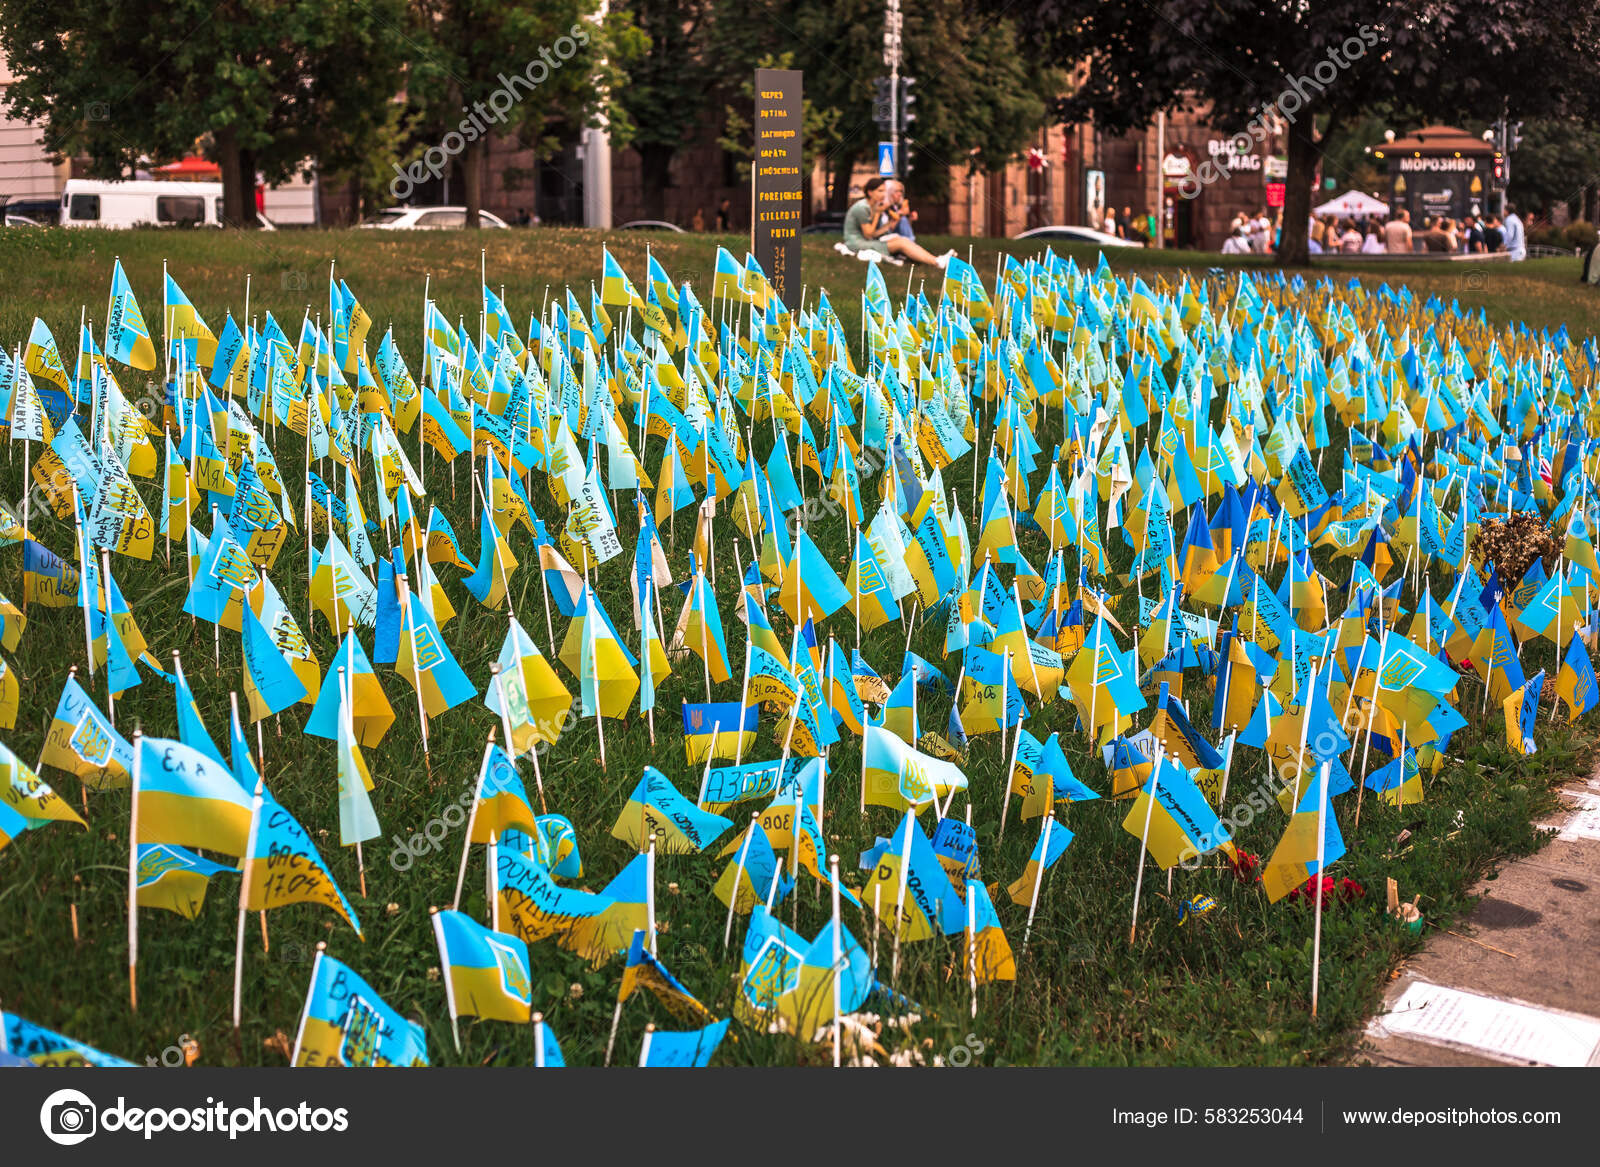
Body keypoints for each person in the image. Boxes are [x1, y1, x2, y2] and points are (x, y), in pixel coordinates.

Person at [843, 176, 954, 268]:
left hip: (866, 240)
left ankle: (935, 259)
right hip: (856, 243)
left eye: (884, 191)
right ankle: (937, 262)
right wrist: (877, 214)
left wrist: (888, 225)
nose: (883, 194)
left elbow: (874, 234)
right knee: (901, 243)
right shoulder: (862, 208)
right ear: (870, 192)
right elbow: (868, 235)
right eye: (880, 191)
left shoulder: (874, 206)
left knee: (901, 239)